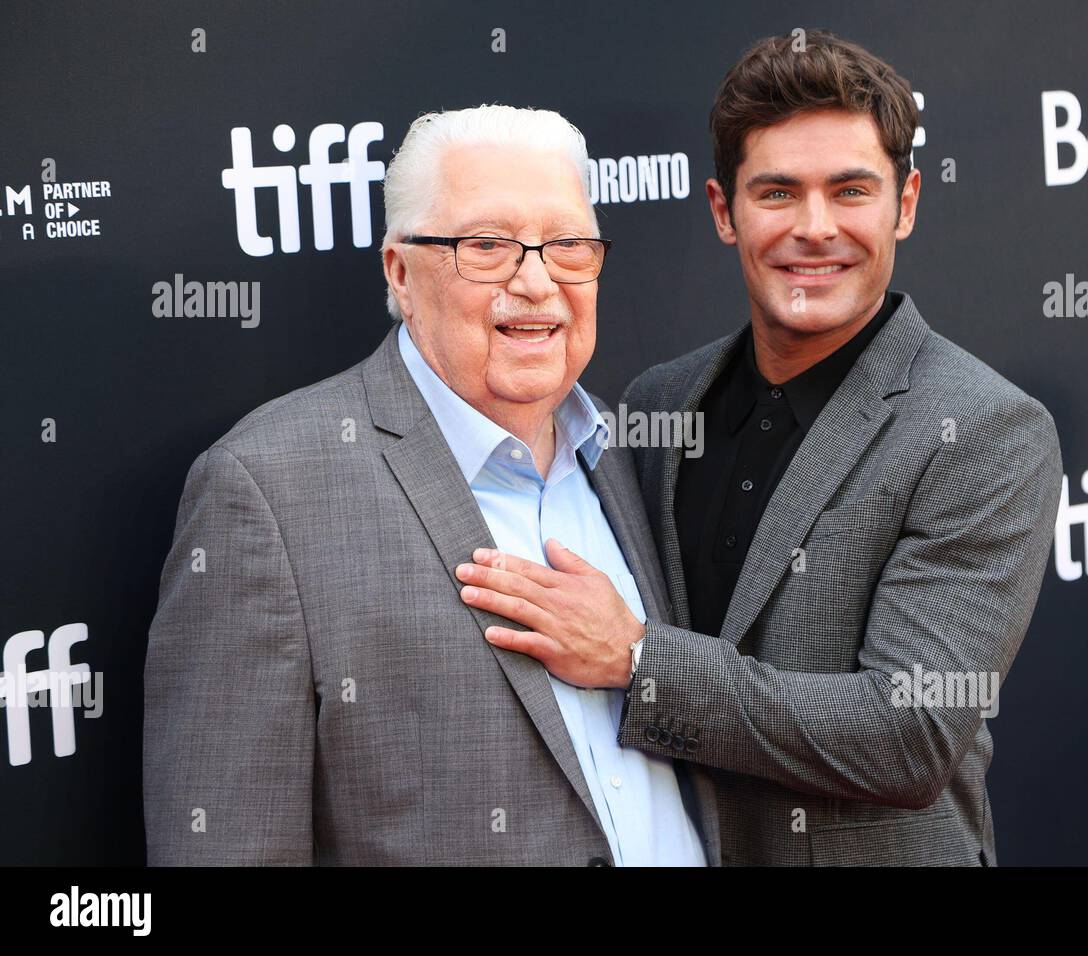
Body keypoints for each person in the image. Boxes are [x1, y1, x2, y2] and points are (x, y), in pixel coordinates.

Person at [455, 32, 1063, 865]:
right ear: (723, 211)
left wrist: (637, 660)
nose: (815, 229)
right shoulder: (660, 403)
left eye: (851, 191)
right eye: (778, 193)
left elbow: (910, 731)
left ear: (907, 203)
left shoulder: (984, 430)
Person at [143, 104, 716, 866]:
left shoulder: (631, 453)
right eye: (488, 246)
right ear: (401, 273)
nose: (538, 282)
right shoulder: (267, 492)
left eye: (568, 245)